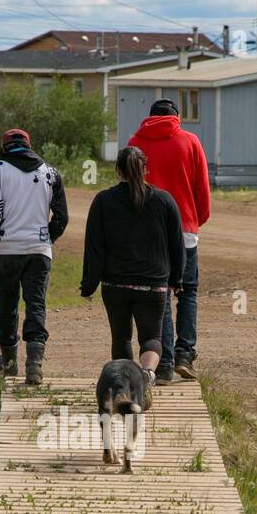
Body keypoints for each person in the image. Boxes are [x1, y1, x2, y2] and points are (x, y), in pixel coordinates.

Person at [80, 145, 185, 393]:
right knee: (152, 338)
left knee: (121, 338)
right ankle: (147, 374)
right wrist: (177, 279)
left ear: (118, 170)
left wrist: (89, 284)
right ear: (145, 169)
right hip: (153, 284)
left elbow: (94, 247)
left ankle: (124, 387)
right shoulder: (164, 201)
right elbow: (177, 245)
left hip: (115, 284)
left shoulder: (103, 201)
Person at [128, 97, 210, 382]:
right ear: (176, 118)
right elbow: (201, 188)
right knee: (188, 292)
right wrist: (194, 221)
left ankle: (162, 365)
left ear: (149, 117)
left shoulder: (135, 143)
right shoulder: (190, 141)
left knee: (159, 297)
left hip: (149, 235)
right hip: (185, 230)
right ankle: (185, 353)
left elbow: (128, 189)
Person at [0, 127, 69, 385]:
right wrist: (48, 238)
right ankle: (34, 364)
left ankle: (9, 363)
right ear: (28, 145)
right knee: (36, 304)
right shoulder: (50, 172)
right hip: (39, 250)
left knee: (7, 306)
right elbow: (62, 217)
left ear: (4, 146)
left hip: (7, 249)